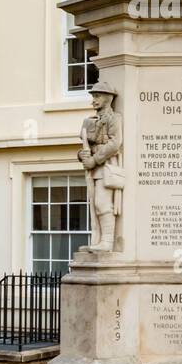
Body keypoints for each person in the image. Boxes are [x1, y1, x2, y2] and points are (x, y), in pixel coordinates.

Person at [78, 80, 123, 252]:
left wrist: (94, 159)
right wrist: (81, 156)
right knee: (95, 205)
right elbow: (84, 146)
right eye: (93, 96)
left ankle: (107, 242)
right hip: (93, 168)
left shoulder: (114, 119)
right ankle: (98, 239)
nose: (93, 100)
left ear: (107, 98)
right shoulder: (89, 121)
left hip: (106, 166)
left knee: (102, 204)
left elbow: (115, 143)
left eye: (97, 96)